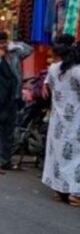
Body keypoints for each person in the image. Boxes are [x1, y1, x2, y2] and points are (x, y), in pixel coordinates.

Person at [0, 31, 33, 174]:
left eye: (4, 42)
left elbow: (29, 49)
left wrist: (12, 45)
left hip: (13, 99)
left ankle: (6, 161)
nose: (2, 45)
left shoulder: (15, 55)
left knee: (9, 133)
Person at [42, 34, 80, 206]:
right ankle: (75, 193)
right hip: (76, 120)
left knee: (58, 153)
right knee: (76, 155)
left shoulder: (53, 69)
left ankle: (59, 190)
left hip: (58, 119)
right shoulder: (77, 70)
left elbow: (47, 89)